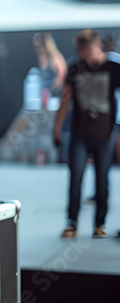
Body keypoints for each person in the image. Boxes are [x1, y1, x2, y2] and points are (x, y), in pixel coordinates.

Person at [53, 29, 120, 239]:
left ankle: (99, 223)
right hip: (80, 133)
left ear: (97, 45)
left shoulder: (113, 67)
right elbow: (65, 99)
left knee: (102, 179)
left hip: (105, 132)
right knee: (76, 178)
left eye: (87, 49)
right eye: (80, 50)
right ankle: (71, 222)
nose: (83, 54)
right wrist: (57, 127)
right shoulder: (75, 68)